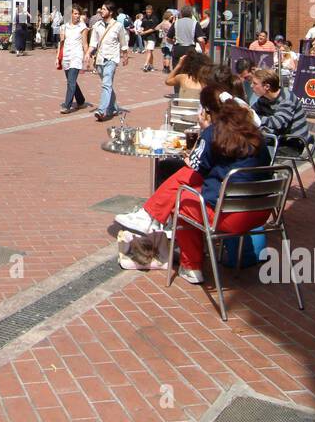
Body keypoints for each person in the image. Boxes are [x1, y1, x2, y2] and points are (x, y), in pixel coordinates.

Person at [112, 85, 274, 283]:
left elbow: (195, 166)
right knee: (191, 184)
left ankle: (191, 266)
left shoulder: (214, 132)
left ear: (207, 111)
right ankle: (149, 215)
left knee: (182, 198)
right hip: (261, 211)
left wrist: (203, 134)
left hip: (229, 215)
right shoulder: (257, 136)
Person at [88, 2, 130, 121]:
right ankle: (114, 108)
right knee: (108, 85)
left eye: (104, 9)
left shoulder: (118, 26)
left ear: (111, 12)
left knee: (106, 84)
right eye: (101, 9)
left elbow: (123, 42)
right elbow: (93, 43)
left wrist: (125, 56)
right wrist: (87, 54)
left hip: (111, 59)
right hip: (100, 59)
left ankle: (102, 111)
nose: (101, 11)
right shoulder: (97, 25)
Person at [250, 68, 310, 144]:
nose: (251, 86)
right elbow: (251, 111)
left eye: (255, 83)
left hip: (292, 141)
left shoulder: (287, 98)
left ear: (267, 87)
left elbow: (278, 123)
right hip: (276, 137)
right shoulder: (264, 98)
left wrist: (254, 118)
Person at [58, 5, 91, 114]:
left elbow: (85, 43)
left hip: (76, 56)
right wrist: (57, 57)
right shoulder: (64, 27)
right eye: (75, 13)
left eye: (78, 13)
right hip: (66, 56)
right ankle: (81, 101)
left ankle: (67, 106)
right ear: (70, 14)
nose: (77, 15)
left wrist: (87, 55)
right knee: (71, 81)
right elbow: (61, 43)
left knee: (71, 82)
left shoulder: (82, 27)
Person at [139, 5, 160, 71]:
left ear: (152, 11)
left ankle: (145, 65)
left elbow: (153, 29)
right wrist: (141, 30)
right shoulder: (144, 18)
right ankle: (151, 66)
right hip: (145, 37)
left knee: (149, 50)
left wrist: (144, 32)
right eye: (147, 12)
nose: (148, 14)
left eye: (149, 12)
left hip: (152, 37)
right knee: (149, 52)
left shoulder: (155, 18)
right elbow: (142, 26)